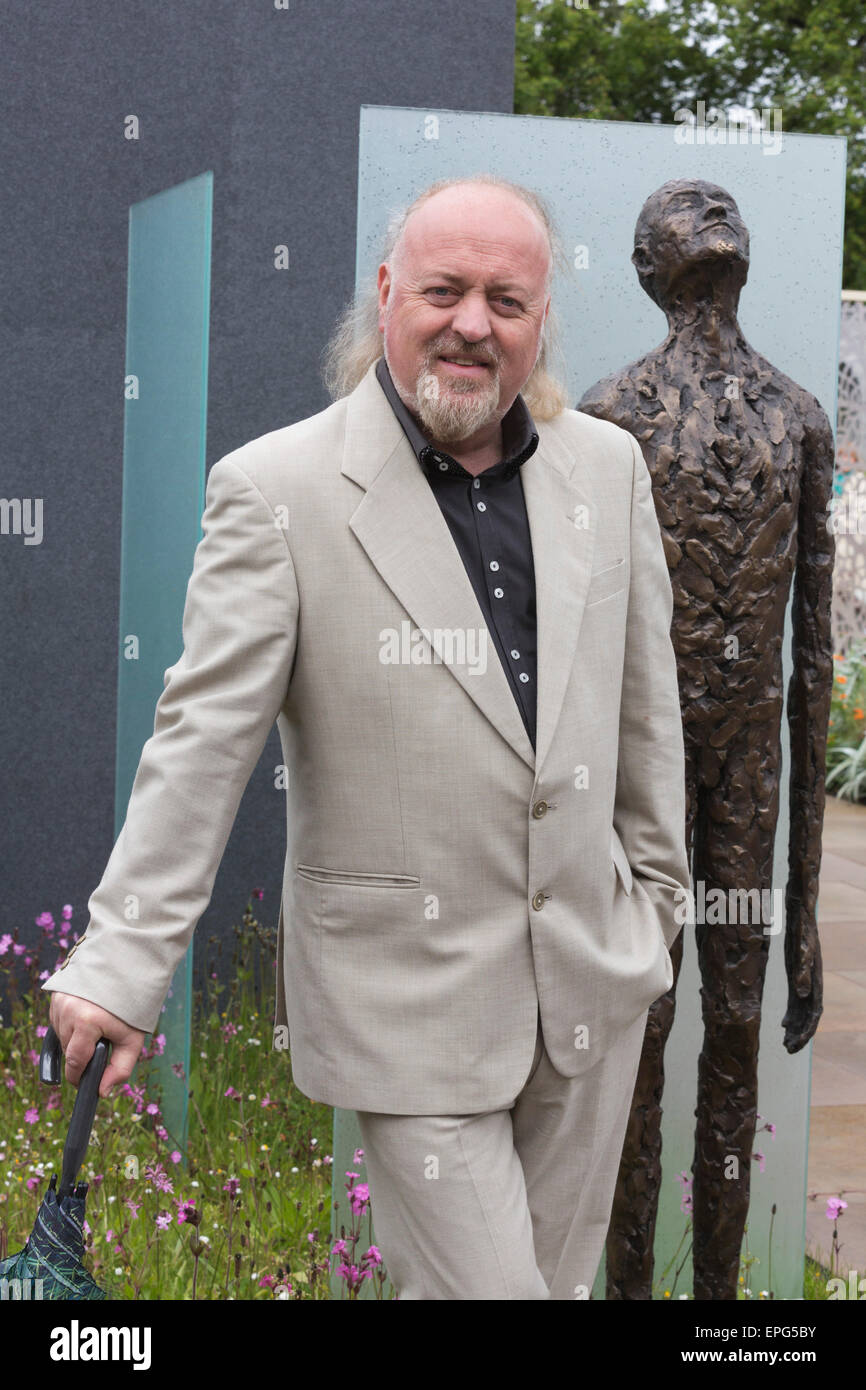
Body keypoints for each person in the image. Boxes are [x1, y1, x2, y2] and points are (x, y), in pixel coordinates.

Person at [42, 173, 690, 1300]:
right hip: (408, 1007)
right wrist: (119, 963)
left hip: (593, 985)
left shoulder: (606, 469)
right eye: (443, 289)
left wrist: (656, 904)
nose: (472, 323)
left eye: (506, 298)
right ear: (387, 293)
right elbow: (201, 744)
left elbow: (644, 710)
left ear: (541, 322)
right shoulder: (277, 489)